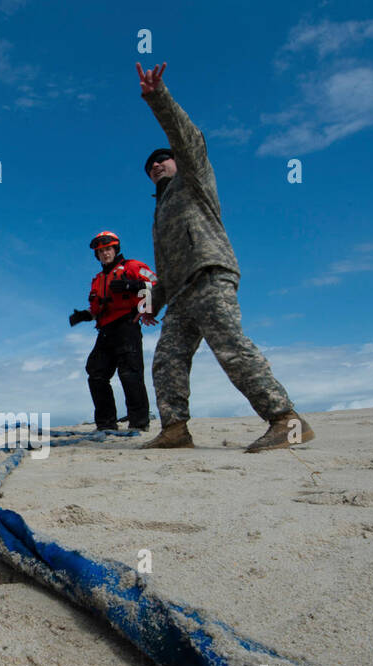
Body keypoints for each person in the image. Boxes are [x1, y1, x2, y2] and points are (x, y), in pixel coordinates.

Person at [134, 62, 314, 452]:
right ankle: (175, 430)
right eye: (150, 166)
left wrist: (158, 98)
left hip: (210, 275)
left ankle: (287, 420)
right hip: (180, 294)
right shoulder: (160, 214)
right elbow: (163, 270)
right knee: (167, 361)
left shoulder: (194, 181)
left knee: (230, 347)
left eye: (162, 159)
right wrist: (151, 302)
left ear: (179, 162)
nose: (156, 165)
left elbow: (188, 138)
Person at [69, 231, 158, 431]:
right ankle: (106, 424)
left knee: (130, 373)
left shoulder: (133, 267)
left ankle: (139, 424)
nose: (105, 254)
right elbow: (96, 310)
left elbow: (156, 283)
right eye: (100, 251)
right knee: (96, 372)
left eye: (108, 249)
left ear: (115, 249)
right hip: (106, 330)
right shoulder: (98, 279)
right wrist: (83, 316)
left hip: (127, 325)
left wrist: (133, 285)